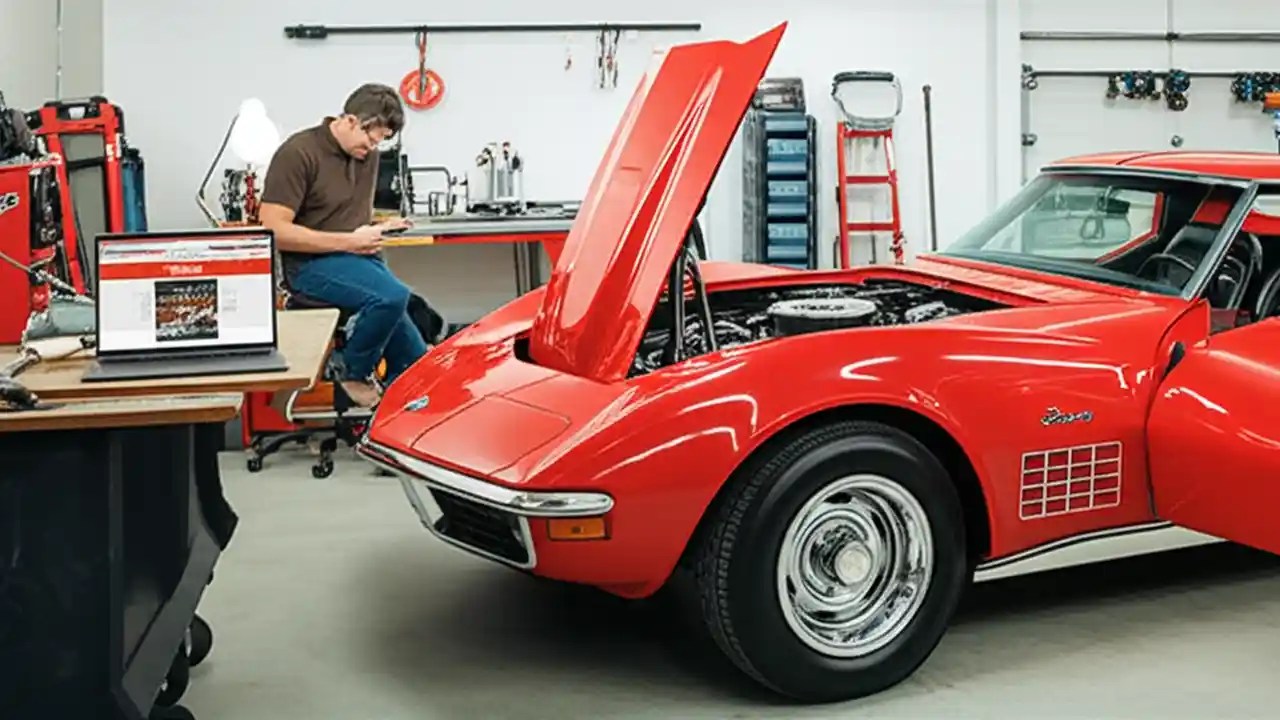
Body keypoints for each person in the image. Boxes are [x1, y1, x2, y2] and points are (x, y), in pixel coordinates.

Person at [259, 83, 428, 408]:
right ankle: (352, 369)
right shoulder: (298, 153)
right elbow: (273, 230)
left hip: (357, 259)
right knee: (392, 297)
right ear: (350, 120)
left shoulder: (367, 155)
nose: (374, 146)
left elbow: (341, 216)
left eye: (381, 140)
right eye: (370, 136)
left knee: (416, 364)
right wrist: (350, 242)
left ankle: (392, 440)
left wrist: (377, 228)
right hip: (309, 267)